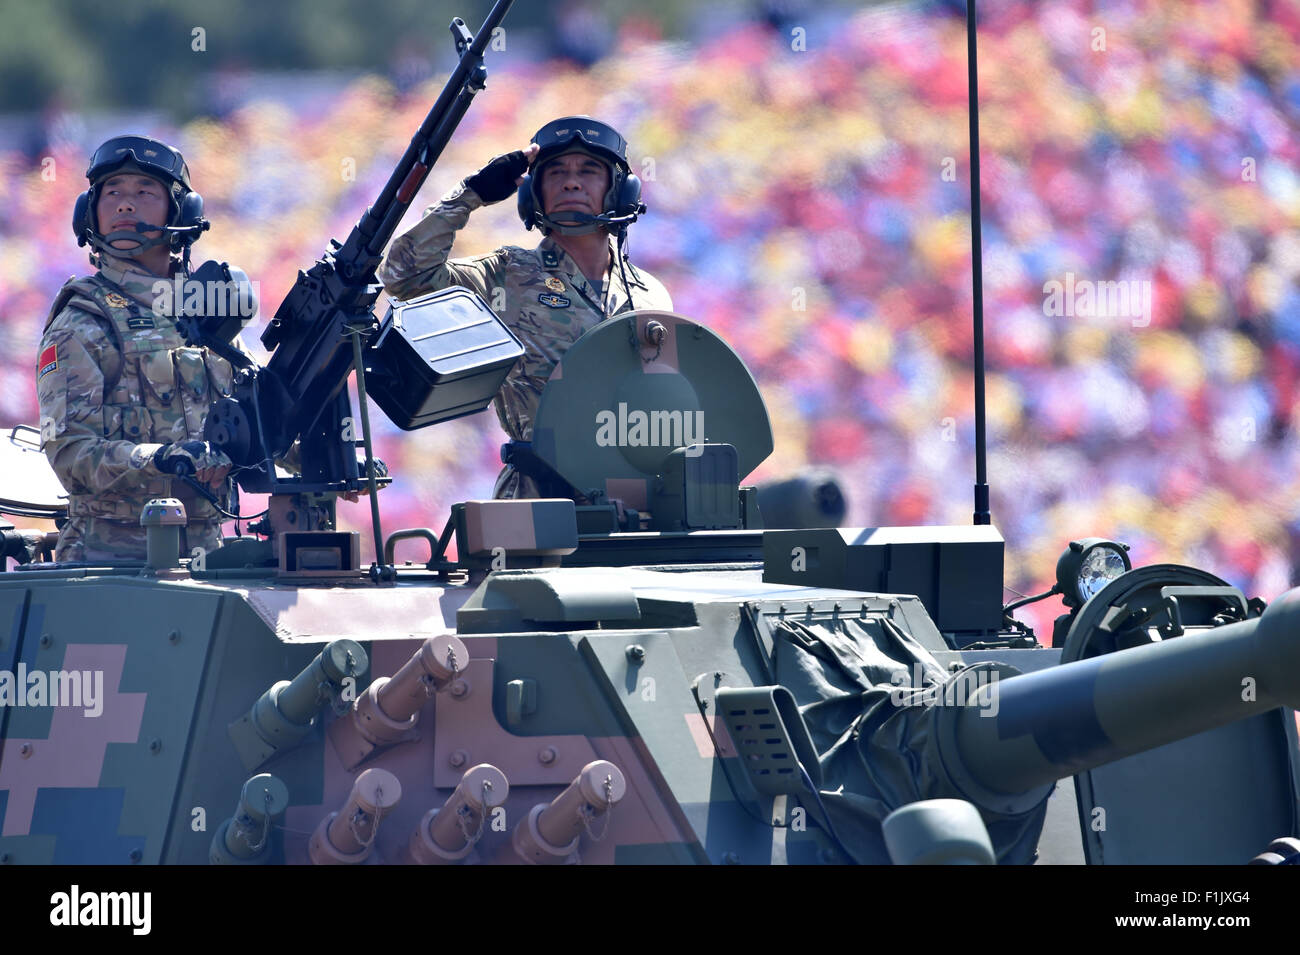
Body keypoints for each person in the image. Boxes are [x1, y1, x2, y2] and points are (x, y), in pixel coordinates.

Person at [379, 116, 674, 498]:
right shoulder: (506, 275)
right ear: (534, 193)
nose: (572, 182)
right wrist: (471, 195)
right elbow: (404, 276)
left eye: (588, 170)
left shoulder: (650, 293)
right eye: (555, 172)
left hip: (639, 498)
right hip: (540, 501)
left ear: (619, 191)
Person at [36, 135, 237, 562]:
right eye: (113, 193)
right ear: (89, 213)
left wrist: (325, 455)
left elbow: (252, 418)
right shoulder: (84, 321)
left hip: (208, 555)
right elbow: (70, 452)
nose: (126, 205)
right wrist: (162, 459)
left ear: (181, 211)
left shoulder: (210, 316)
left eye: (144, 192)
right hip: (108, 562)